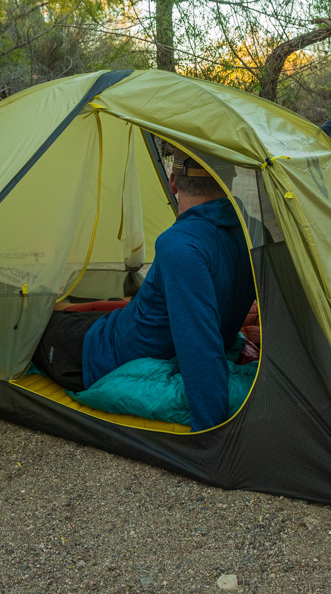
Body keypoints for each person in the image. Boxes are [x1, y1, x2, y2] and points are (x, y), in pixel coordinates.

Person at [33, 148, 256, 431]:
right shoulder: (251, 231)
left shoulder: (182, 245)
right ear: (229, 181)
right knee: (73, 315)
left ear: (172, 182)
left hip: (103, 357)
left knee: (29, 325)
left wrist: (211, 435)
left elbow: (198, 345)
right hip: (121, 328)